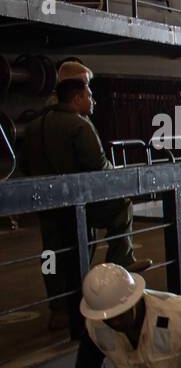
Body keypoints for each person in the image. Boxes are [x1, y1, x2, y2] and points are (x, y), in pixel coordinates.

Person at [21, 75, 152, 334]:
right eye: (89, 96)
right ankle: (120, 262)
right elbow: (98, 165)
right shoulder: (79, 125)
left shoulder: (34, 126)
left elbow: (24, 165)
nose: (92, 101)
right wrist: (118, 176)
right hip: (79, 203)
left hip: (48, 207)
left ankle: (58, 307)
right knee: (121, 207)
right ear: (77, 98)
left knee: (50, 255)